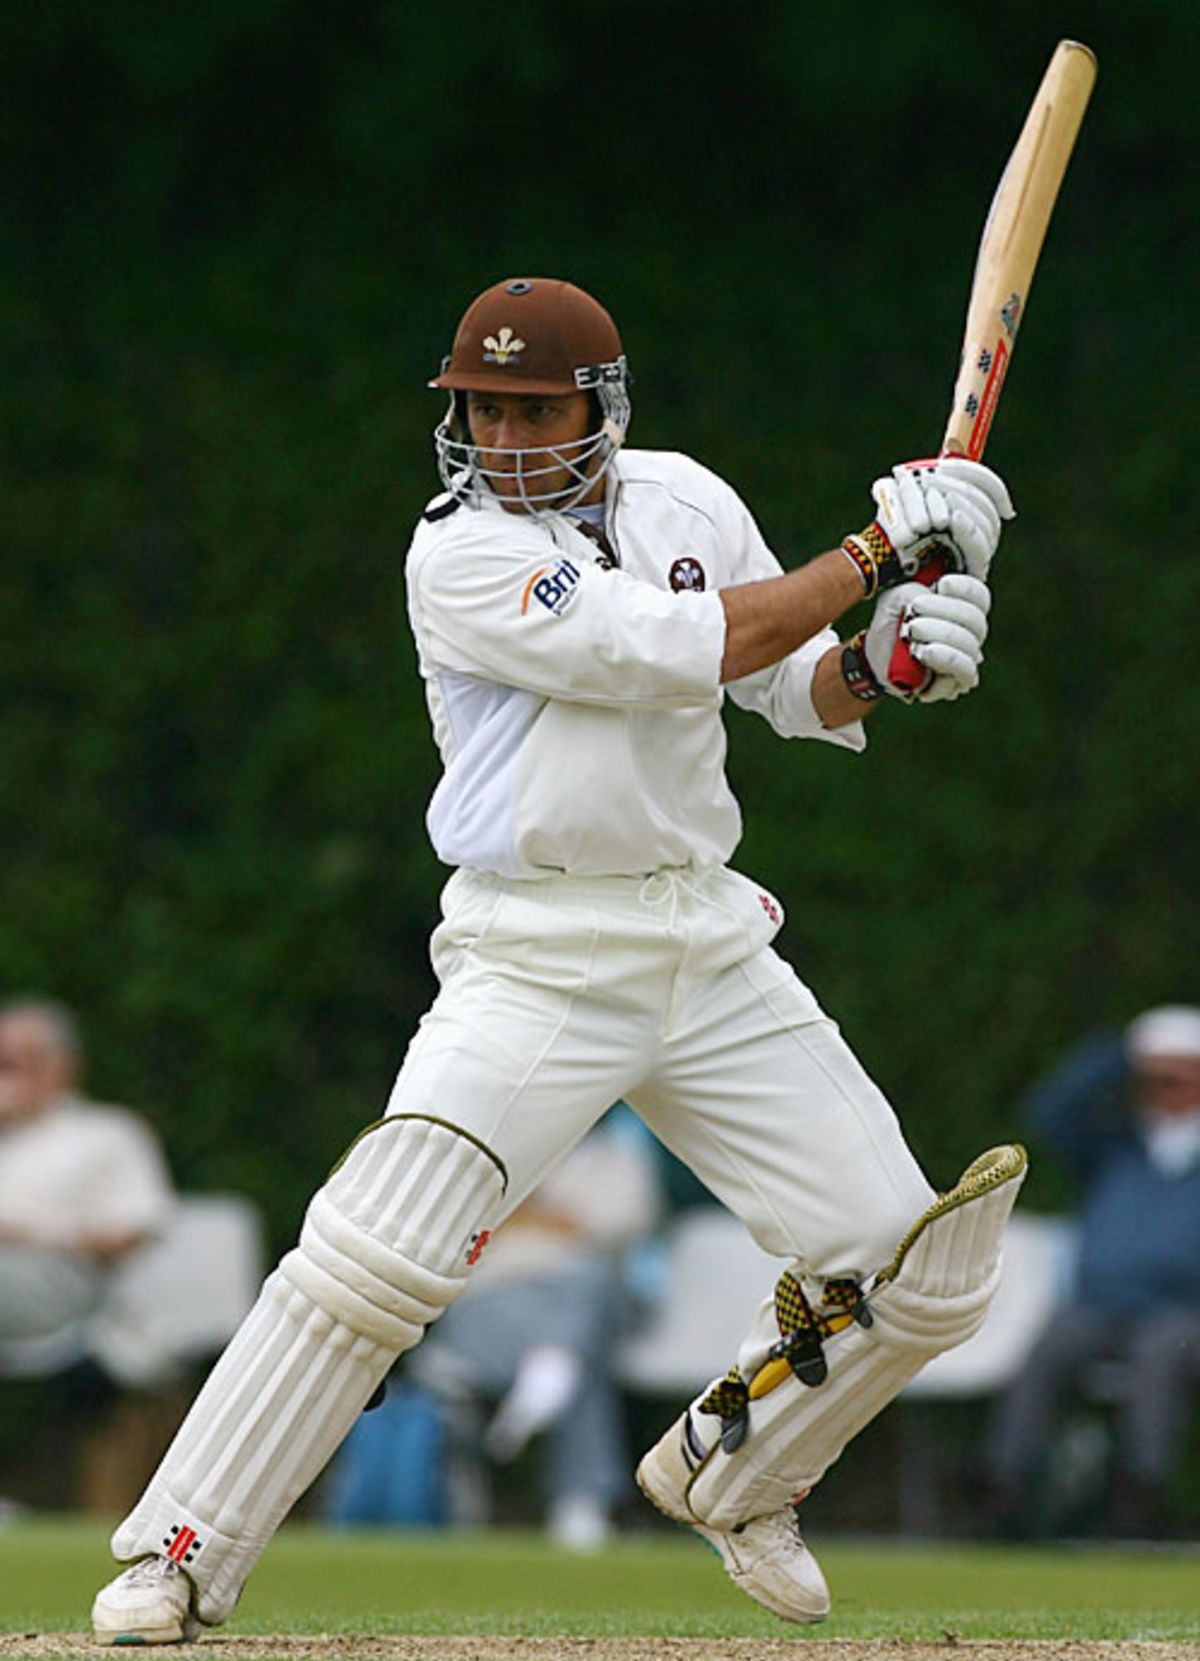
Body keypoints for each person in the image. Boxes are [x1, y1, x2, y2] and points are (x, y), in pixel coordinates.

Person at [92, 276, 1028, 1644]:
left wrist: (889, 664)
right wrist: (882, 546)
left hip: (703, 938)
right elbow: (677, 648)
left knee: (921, 1266)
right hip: (534, 949)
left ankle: (737, 1465)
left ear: (603, 404)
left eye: (538, 408)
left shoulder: (688, 500)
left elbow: (785, 679)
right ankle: (180, 1552)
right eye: (484, 406)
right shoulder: (457, 554)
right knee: (375, 1252)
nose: (508, 434)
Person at [331, 1106, 661, 1547]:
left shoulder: (611, 1157)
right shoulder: (503, 1154)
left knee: (589, 1286)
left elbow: (627, 1222)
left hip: (582, 1293)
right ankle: (580, 1496)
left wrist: (534, 1216)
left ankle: (552, 1367)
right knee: (580, 1362)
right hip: (501, 1301)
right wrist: (557, 1221)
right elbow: (462, 1227)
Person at [984, 1005, 1200, 1539]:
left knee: (1160, 1357)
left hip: (1183, 1309)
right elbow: (1047, 1111)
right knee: (1048, 1348)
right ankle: (1005, 1492)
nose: (1163, 1088)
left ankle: (1137, 1501)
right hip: (1099, 1305)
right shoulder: (1115, 1146)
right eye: (1155, 1076)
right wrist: (1118, 1056)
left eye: (1177, 1075)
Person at [0, 997, 175, 1364]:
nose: (9, 1073)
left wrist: (32, 1235)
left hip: (60, 1281)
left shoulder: (106, 1132)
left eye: (23, 1060)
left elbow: (132, 1232)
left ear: (63, 1067)